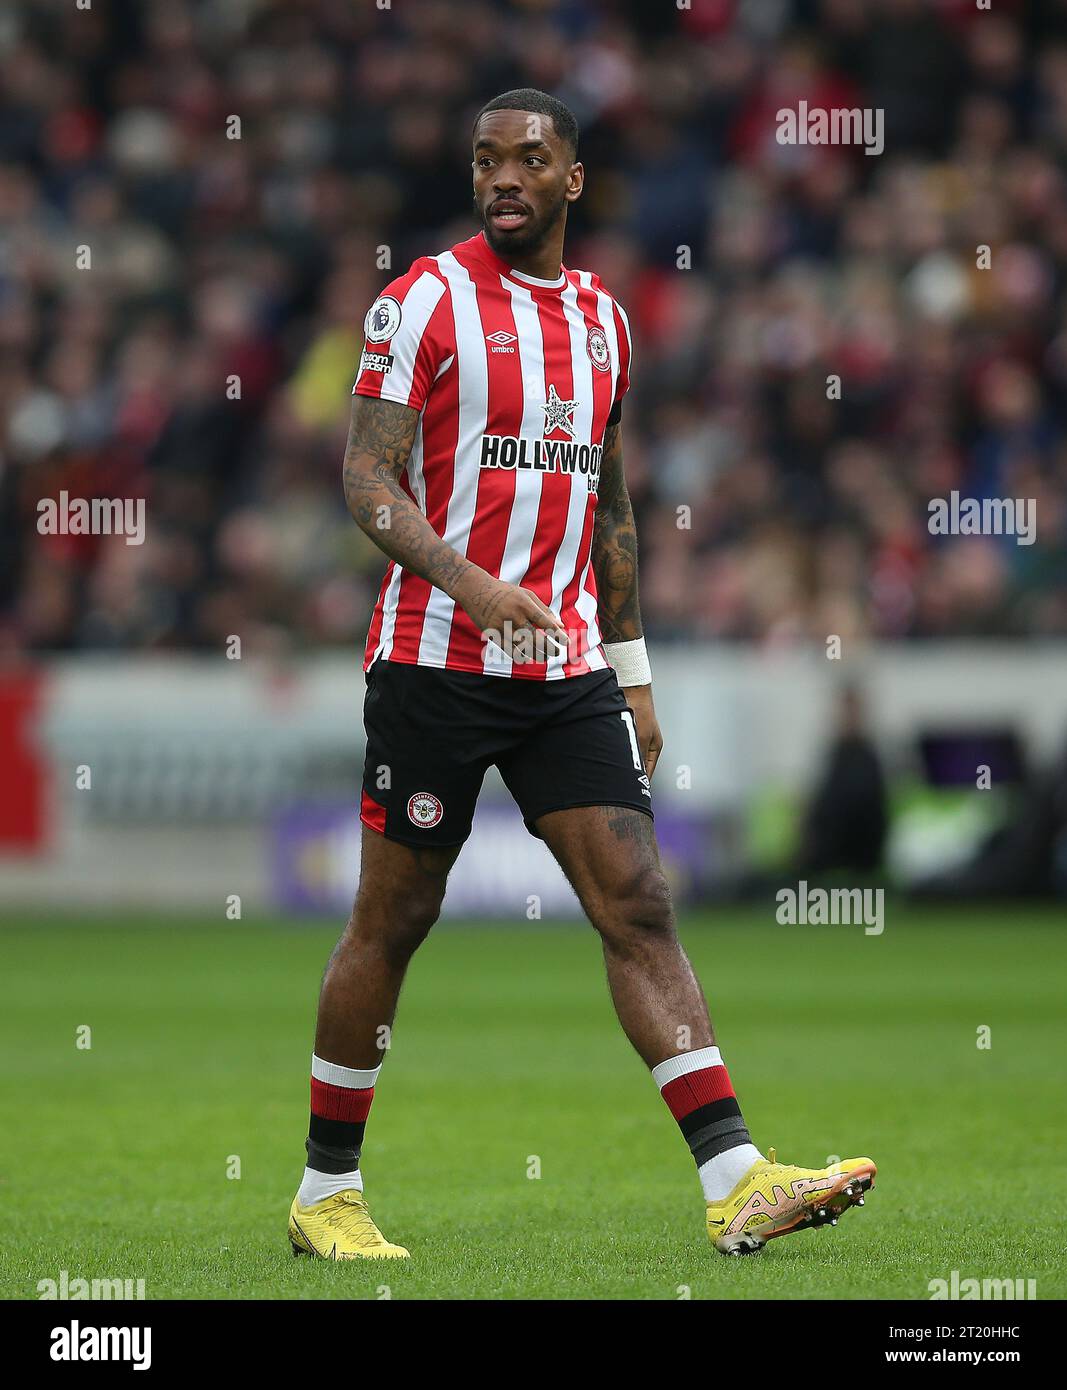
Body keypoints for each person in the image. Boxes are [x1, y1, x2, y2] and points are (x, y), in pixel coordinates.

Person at [288, 89, 875, 1261]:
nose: (502, 177)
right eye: (484, 159)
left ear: (572, 180)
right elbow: (364, 480)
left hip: (562, 669)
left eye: (527, 159)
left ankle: (734, 1179)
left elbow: (607, 502)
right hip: (435, 661)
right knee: (392, 918)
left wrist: (633, 672)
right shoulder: (420, 302)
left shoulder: (604, 322)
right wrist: (473, 585)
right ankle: (324, 1192)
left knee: (637, 901)